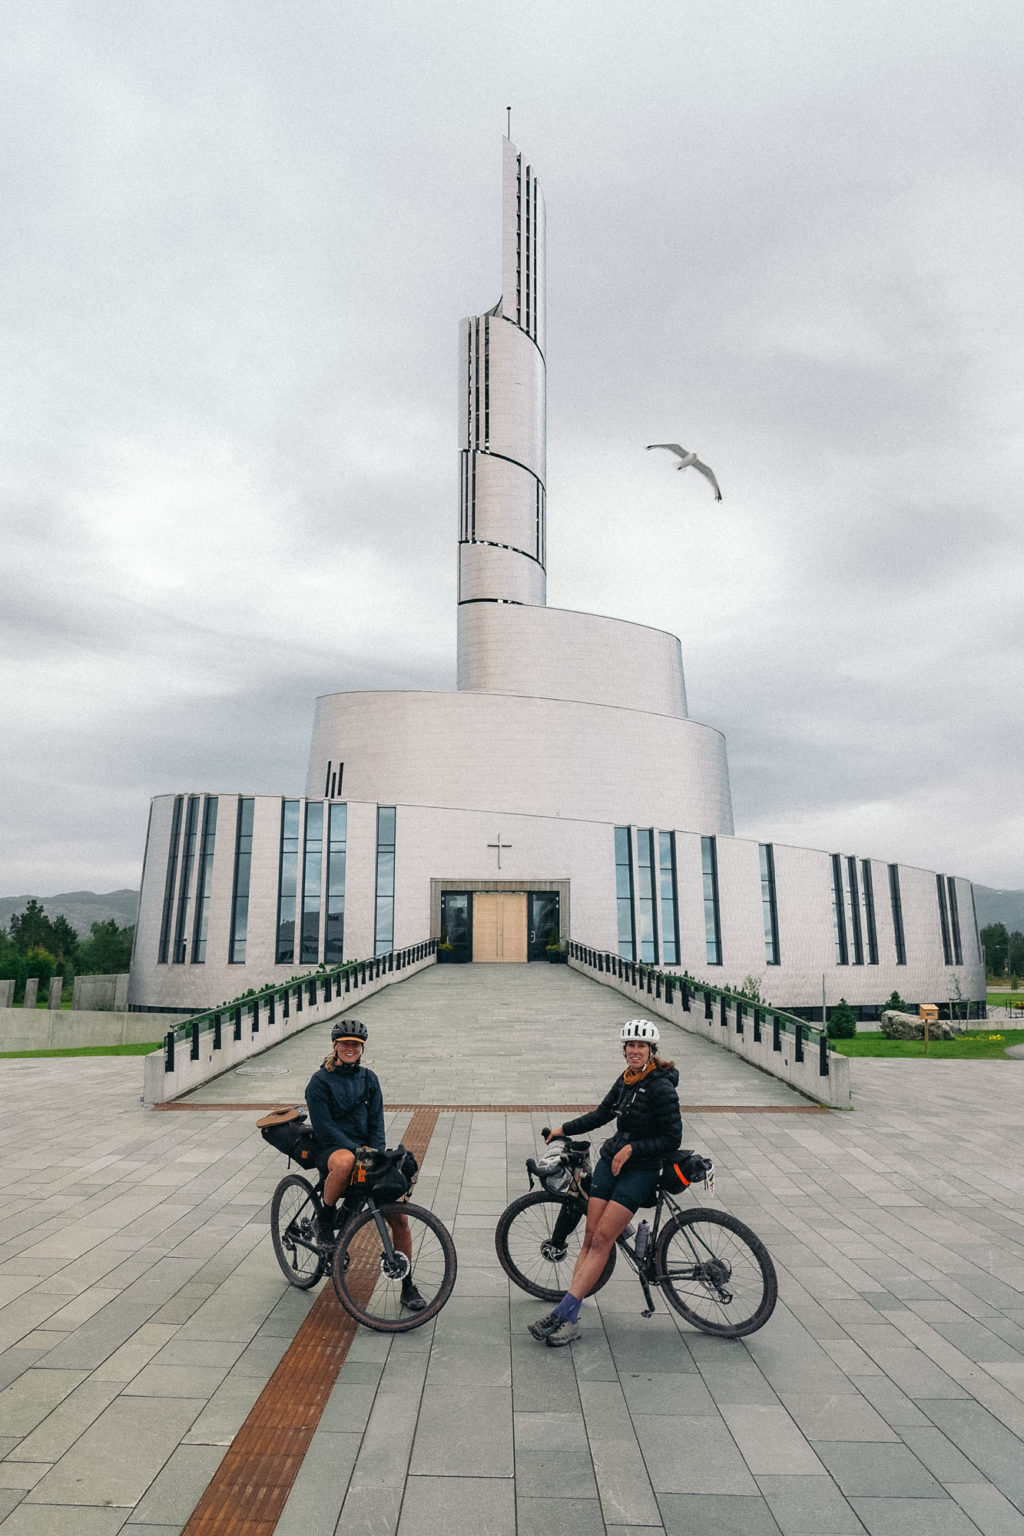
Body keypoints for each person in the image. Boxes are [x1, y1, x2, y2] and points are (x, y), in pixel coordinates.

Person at [529, 1018, 681, 1346]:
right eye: (630, 1046)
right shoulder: (626, 1080)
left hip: (640, 1171)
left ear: (652, 1050)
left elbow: (672, 1138)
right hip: (608, 1165)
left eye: (641, 1046)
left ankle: (561, 1314)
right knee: (588, 1239)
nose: (634, 1051)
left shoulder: (661, 1086)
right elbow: (602, 1114)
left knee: (601, 1241)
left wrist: (632, 1148)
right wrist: (563, 1129)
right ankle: (570, 1320)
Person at [304, 1018, 425, 1312]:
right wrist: (357, 1150)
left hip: (366, 1150)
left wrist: (376, 1154)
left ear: (362, 1048)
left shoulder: (369, 1079)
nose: (350, 1049)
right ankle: (326, 1218)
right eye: (345, 1044)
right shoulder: (319, 1082)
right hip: (332, 1148)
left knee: (400, 1217)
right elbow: (324, 1127)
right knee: (345, 1163)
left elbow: (377, 1122)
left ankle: (407, 1284)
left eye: (356, 1045)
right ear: (335, 1046)